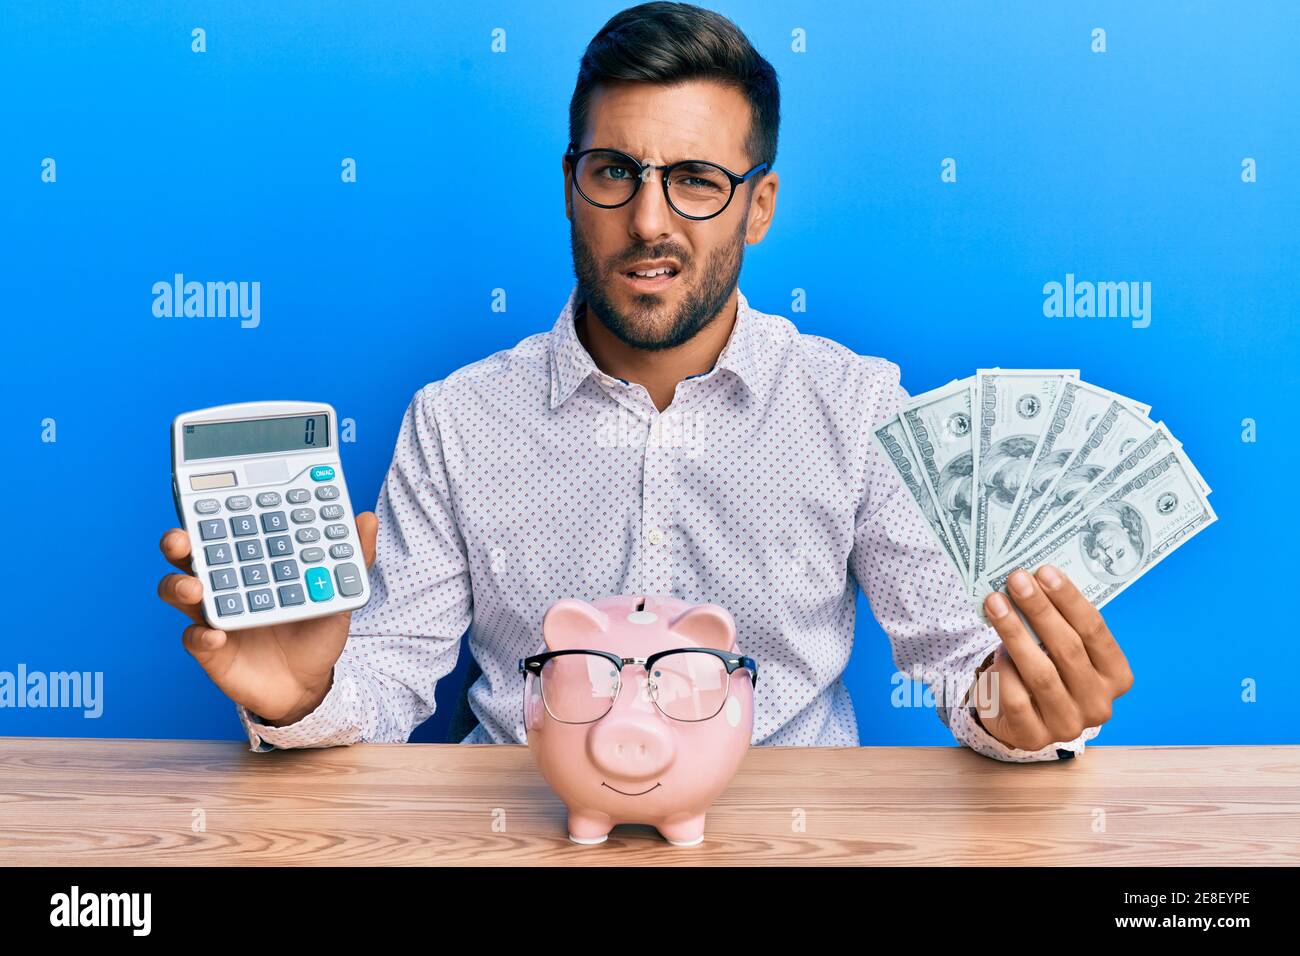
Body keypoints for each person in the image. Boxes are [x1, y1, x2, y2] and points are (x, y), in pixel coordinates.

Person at [157, 1, 1132, 761]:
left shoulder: (857, 406)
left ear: (758, 207)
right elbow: (380, 687)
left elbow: (968, 676)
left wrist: (1030, 708)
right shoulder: (455, 421)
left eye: (696, 180)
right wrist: (303, 696)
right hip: (527, 836)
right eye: (615, 172)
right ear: (571, 183)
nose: (650, 221)